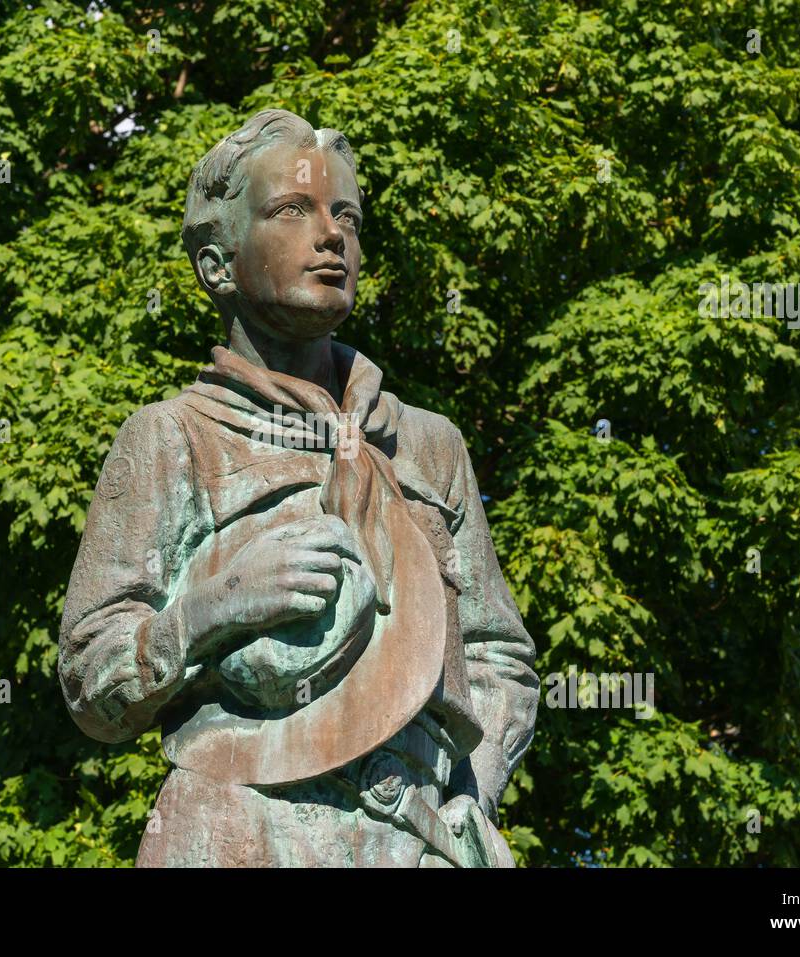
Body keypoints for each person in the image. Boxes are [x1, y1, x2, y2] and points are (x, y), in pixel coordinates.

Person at [58, 109, 539, 867]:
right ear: (218, 263)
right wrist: (209, 607)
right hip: (235, 826)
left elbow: (499, 655)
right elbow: (90, 680)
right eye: (294, 211)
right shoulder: (172, 437)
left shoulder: (427, 443)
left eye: (346, 216)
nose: (332, 236)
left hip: (413, 838)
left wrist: (470, 800)